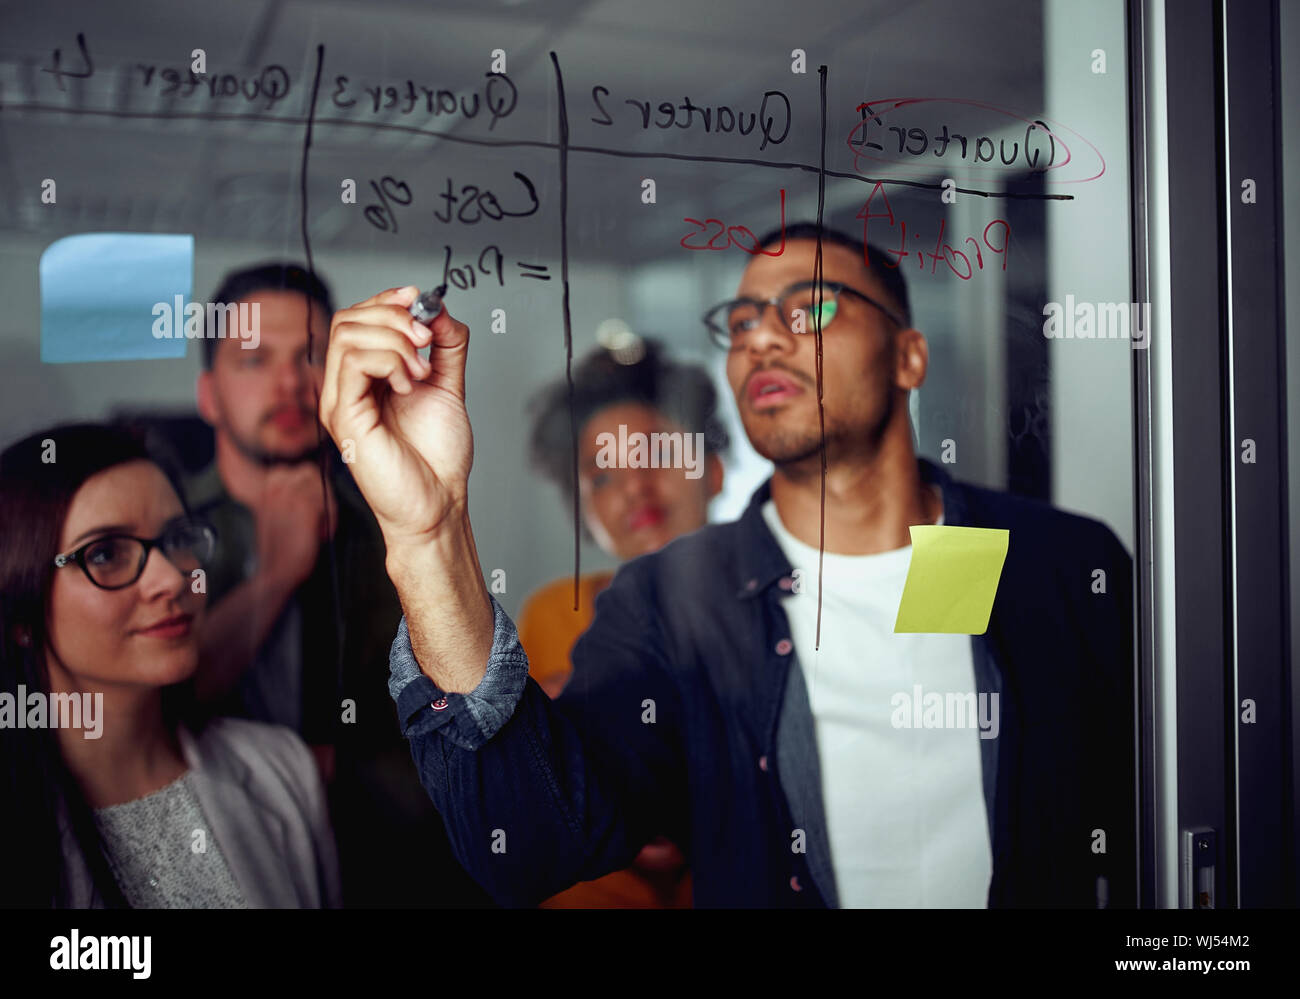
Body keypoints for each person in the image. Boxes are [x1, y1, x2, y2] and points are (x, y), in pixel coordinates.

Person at [317, 223, 1136, 908]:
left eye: (809, 307)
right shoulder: (669, 606)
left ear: (909, 357)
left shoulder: (1053, 564)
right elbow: (528, 843)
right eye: (741, 322)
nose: (762, 337)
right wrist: (427, 532)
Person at [188, 262, 486, 907]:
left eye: (311, 355)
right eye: (254, 359)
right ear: (208, 394)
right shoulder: (159, 533)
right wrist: (280, 570)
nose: (291, 383)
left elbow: (464, 723)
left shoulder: (401, 515)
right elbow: (149, 716)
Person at [0, 422, 340, 907]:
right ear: (21, 610)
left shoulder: (280, 770)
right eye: (105, 553)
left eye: (178, 538)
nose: (172, 579)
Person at [518, 339, 727, 907]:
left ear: (711, 468)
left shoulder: (767, 605)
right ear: (581, 507)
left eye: (656, 454)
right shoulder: (556, 614)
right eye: (602, 476)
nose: (635, 485)